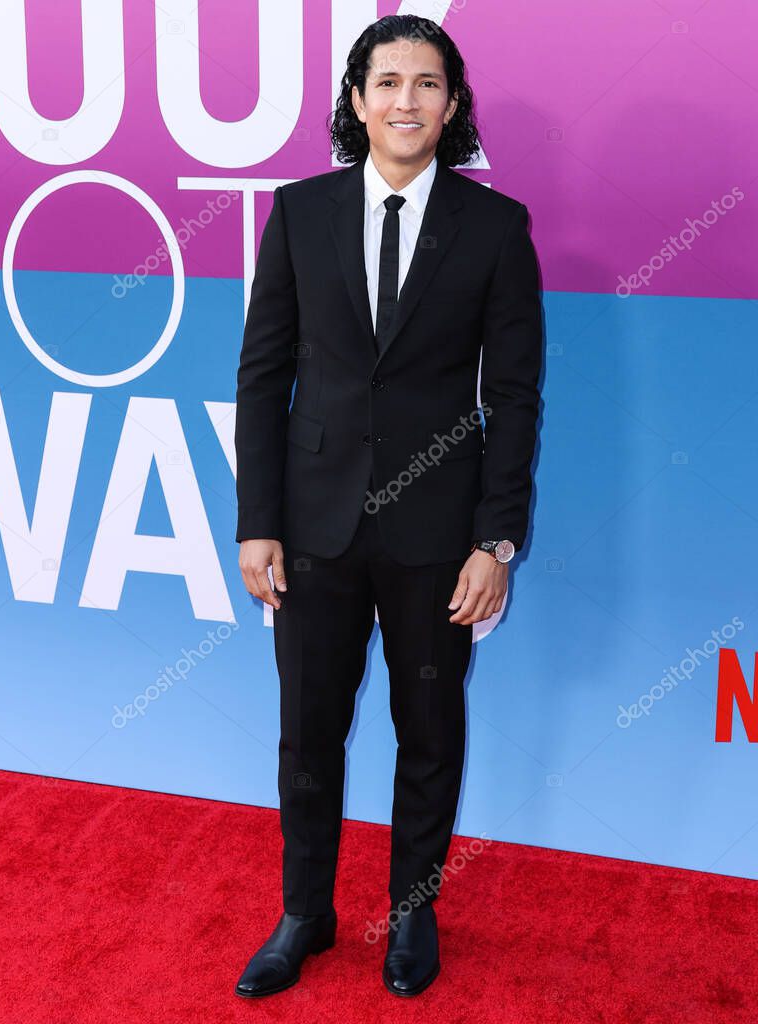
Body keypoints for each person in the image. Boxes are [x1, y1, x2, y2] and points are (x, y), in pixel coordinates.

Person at [233, 13, 542, 999]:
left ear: (452, 106)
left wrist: (497, 537)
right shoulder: (298, 211)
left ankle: (414, 910)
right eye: (387, 81)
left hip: (437, 532)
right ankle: (305, 911)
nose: (406, 100)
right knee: (306, 730)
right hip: (314, 526)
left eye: (427, 83)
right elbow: (262, 376)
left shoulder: (495, 228)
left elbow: (516, 395)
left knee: (429, 727)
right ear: (356, 100)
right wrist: (257, 519)